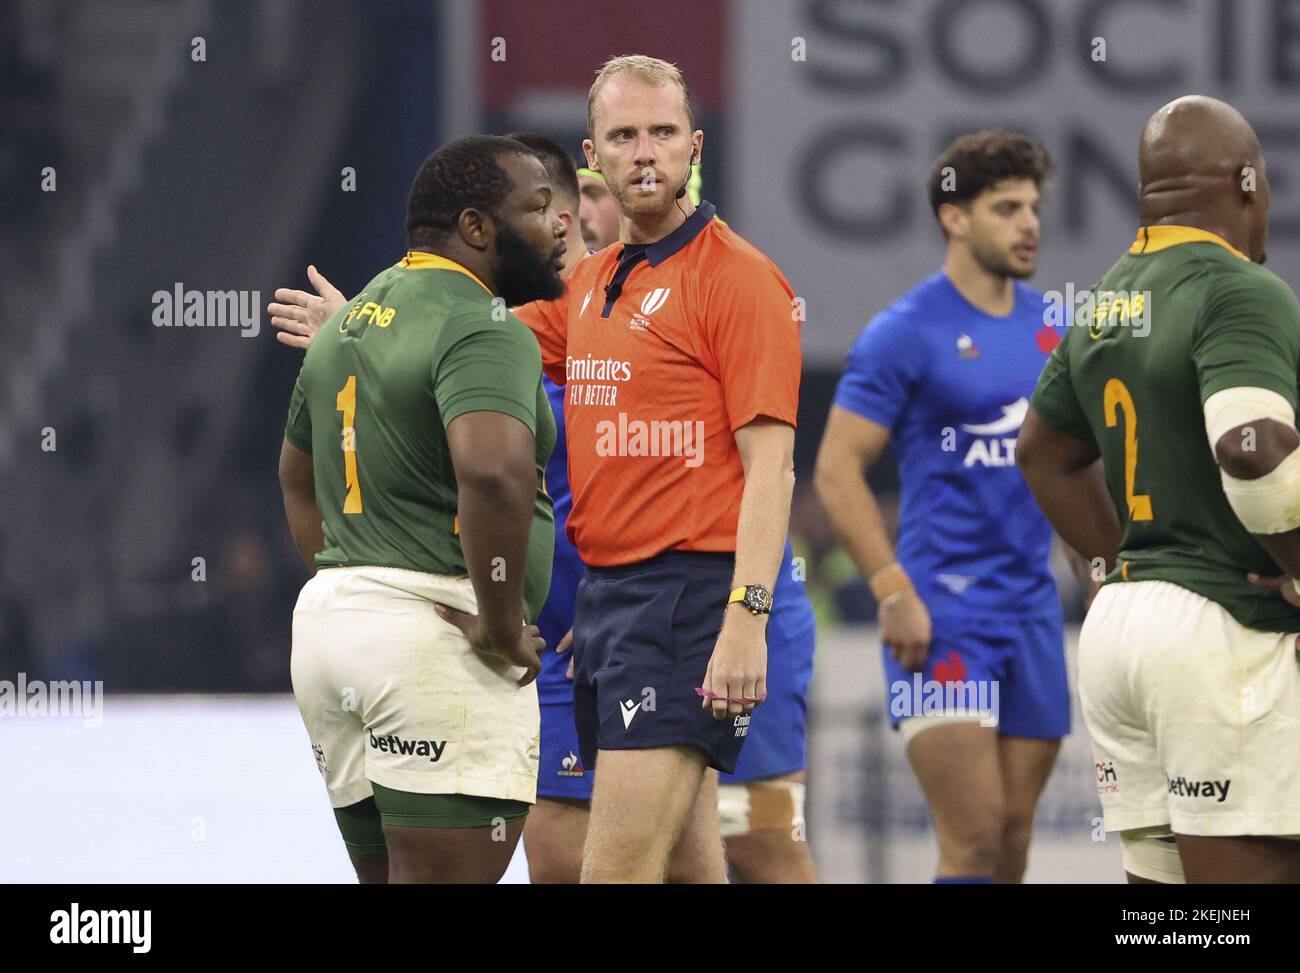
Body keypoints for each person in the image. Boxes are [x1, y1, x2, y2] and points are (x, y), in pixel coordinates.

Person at [273, 127, 820, 883]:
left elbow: (773, 463)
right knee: (591, 859)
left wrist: (748, 614)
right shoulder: (553, 319)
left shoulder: (712, 294)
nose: (578, 217)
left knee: (761, 841)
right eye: (574, 195)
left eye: (586, 200)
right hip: (568, 634)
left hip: (714, 613)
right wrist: (362, 329)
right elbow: (431, 334)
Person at [1019, 95, 1300, 884]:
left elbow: (1042, 454)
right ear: (1248, 180)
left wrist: (1123, 565)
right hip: (1224, 635)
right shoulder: (1241, 290)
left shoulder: (1104, 300)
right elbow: (1255, 451)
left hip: (1124, 631)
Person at [277, 135, 566, 884]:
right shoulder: (484, 321)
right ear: (476, 228)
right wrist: (502, 624)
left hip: (331, 632)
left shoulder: (348, 321)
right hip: (435, 639)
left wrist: (356, 582)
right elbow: (494, 473)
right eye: (538, 208)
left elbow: (296, 477)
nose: (558, 224)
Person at [815, 131, 1066, 884]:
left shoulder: (1055, 322)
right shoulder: (904, 331)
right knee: (976, 836)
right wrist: (894, 591)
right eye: (1006, 208)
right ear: (953, 217)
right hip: (941, 615)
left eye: (1033, 207)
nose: (1029, 224)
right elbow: (835, 470)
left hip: (1033, 611)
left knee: (1016, 839)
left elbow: (1078, 463)